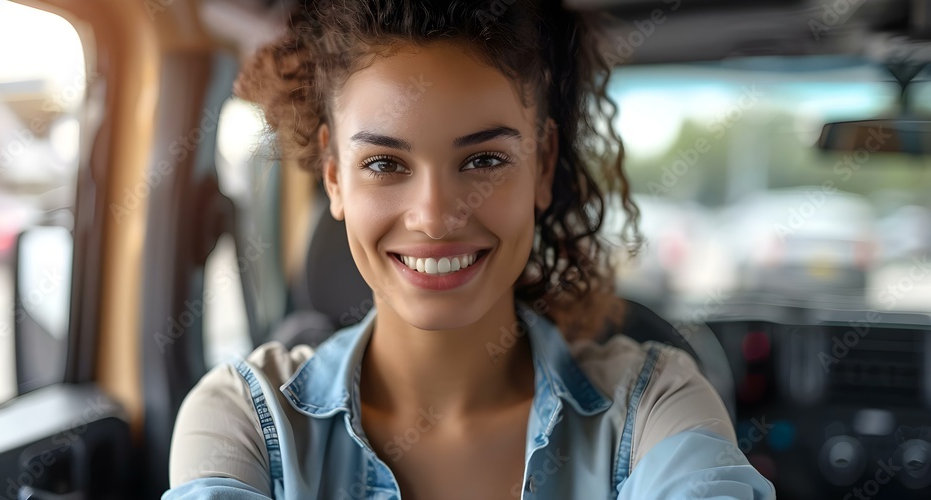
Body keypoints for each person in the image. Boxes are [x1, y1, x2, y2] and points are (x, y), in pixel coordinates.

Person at [163, 1, 776, 498]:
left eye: (483, 160)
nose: (434, 217)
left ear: (542, 165)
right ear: (332, 176)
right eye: (383, 163)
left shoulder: (655, 407)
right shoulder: (244, 419)